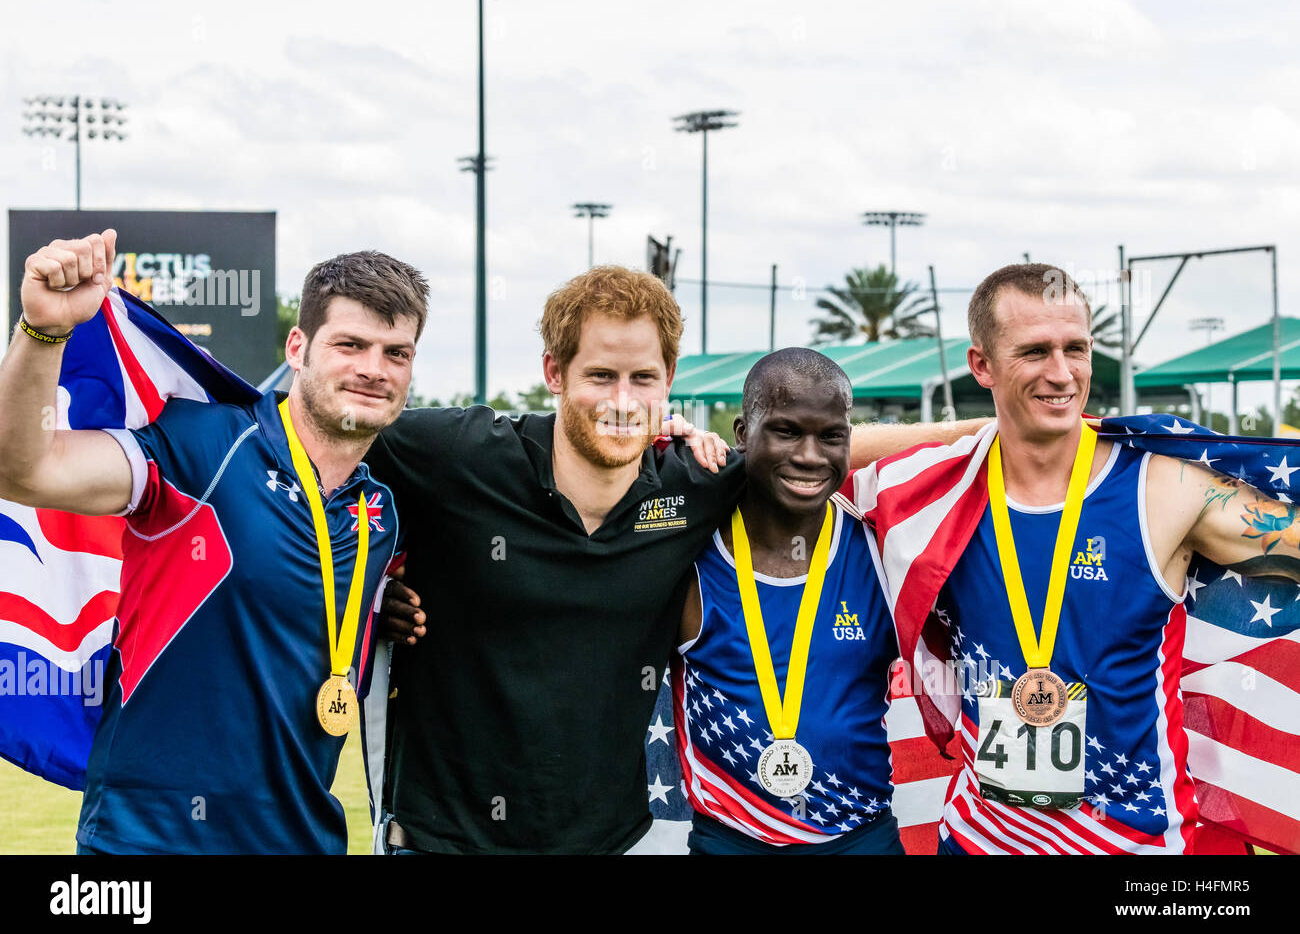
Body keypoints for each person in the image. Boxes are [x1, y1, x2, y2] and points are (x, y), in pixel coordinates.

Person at [368, 264, 982, 854]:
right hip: (441, 839)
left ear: (669, 377)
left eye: (642, 378)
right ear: (554, 372)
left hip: (604, 844)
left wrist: (1016, 430)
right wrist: (376, 593)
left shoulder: (692, 483)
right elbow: (325, 463)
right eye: (601, 375)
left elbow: (825, 445)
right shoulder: (455, 453)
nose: (622, 400)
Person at [0, 229, 427, 853]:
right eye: (351, 345)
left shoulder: (379, 510)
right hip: (150, 844)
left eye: (397, 353)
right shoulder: (202, 446)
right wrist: (43, 333)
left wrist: (386, 608)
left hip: (304, 840)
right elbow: (24, 470)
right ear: (298, 347)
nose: (373, 369)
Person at [870, 263, 1300, 855]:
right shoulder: (939, 487)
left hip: (1133, 844)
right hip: (980, 841)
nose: (1061, 372)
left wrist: (1029, 406)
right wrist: (988, 425)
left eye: (1076, 349)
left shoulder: (1165, 491)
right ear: (981, 366)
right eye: (1034, 352)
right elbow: (808, 448)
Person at [673, 348, 902, 854]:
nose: (810, 456)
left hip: (859, 836)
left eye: (831, 436)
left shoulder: (884, 546)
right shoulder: (688, 552)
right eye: (786, 431)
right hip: (732, 838)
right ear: (740, 433)